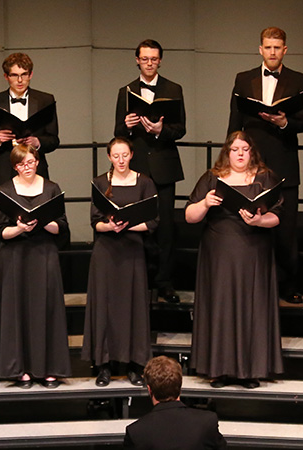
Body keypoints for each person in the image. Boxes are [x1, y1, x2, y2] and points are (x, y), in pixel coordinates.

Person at [185, 131, 283, 388]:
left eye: (245, 149)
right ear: (227, 152)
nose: (240, 154)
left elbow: (277, 216)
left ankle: (250, 370)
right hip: (219, 253)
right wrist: (205, 203)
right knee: (221, 308)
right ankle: (219, 369)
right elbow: (189, 216)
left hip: (253, 251)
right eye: (235, 149)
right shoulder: (212, 177)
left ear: (252, 152)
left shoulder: (265, 177)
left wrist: (259, 220)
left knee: (252, 307)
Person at [228, 26, 303, 304]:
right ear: (260, 49)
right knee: (249, 227)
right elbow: (234, 122)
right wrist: (230, 161)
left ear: (284, 50)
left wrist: (284, 122)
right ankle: (253, 284)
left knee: (286, 229)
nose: (272, 52)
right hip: (250, 164)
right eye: (268, 47)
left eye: (277, 47)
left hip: (284, 161)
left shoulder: (299, 79)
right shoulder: (243, 79)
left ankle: (288, 286)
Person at [0, 144, 70, 388]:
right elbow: (1, 231)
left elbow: (62, 226)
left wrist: (43, 222)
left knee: (46, 308)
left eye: (31, 162)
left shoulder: (51, 188)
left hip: (44, 253)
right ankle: (19, 369)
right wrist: (20, 228)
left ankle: (48, 368)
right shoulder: (4, 190)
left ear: (38, 161)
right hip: (15, 255)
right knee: (17, 310)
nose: (27, 167)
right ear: (15, 167)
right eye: (21, 164)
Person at [114, 39, 186, 304]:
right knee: (138, 226)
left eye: (154, 59)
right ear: (137, 60)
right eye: (144, 59)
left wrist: (160, 130)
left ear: (160, 60)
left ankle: (165, 283)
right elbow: (117, 132)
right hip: (138, 170)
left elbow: (180, 129)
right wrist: (128, 125)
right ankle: (140, 281)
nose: (149, 63)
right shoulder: (125, 91)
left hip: (164, 166)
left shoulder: (173, 89)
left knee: (165, 228)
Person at [83, 137, 157, 387]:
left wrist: (128, 224)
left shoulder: (145, 182)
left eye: (125, 155)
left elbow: (153, 221)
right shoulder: (100, 182)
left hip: (132, 251)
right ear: (109, 157)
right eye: (116, 156)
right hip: (106, 251)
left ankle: (134, 366)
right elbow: (95, 221)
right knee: (105, 307)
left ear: (132, 155)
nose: (121, 160)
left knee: (133, 307)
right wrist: (110, 226)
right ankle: (103, 366)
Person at [0, 53, 59, 201]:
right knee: (4, 214)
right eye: (14, 75)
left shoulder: (45, 100)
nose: (20, 80)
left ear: (31, 74)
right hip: (4, 170)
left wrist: (37, 142)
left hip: (36, 170)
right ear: (6, 76)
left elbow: (54, 140)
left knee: (40, 211)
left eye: (24, 75)